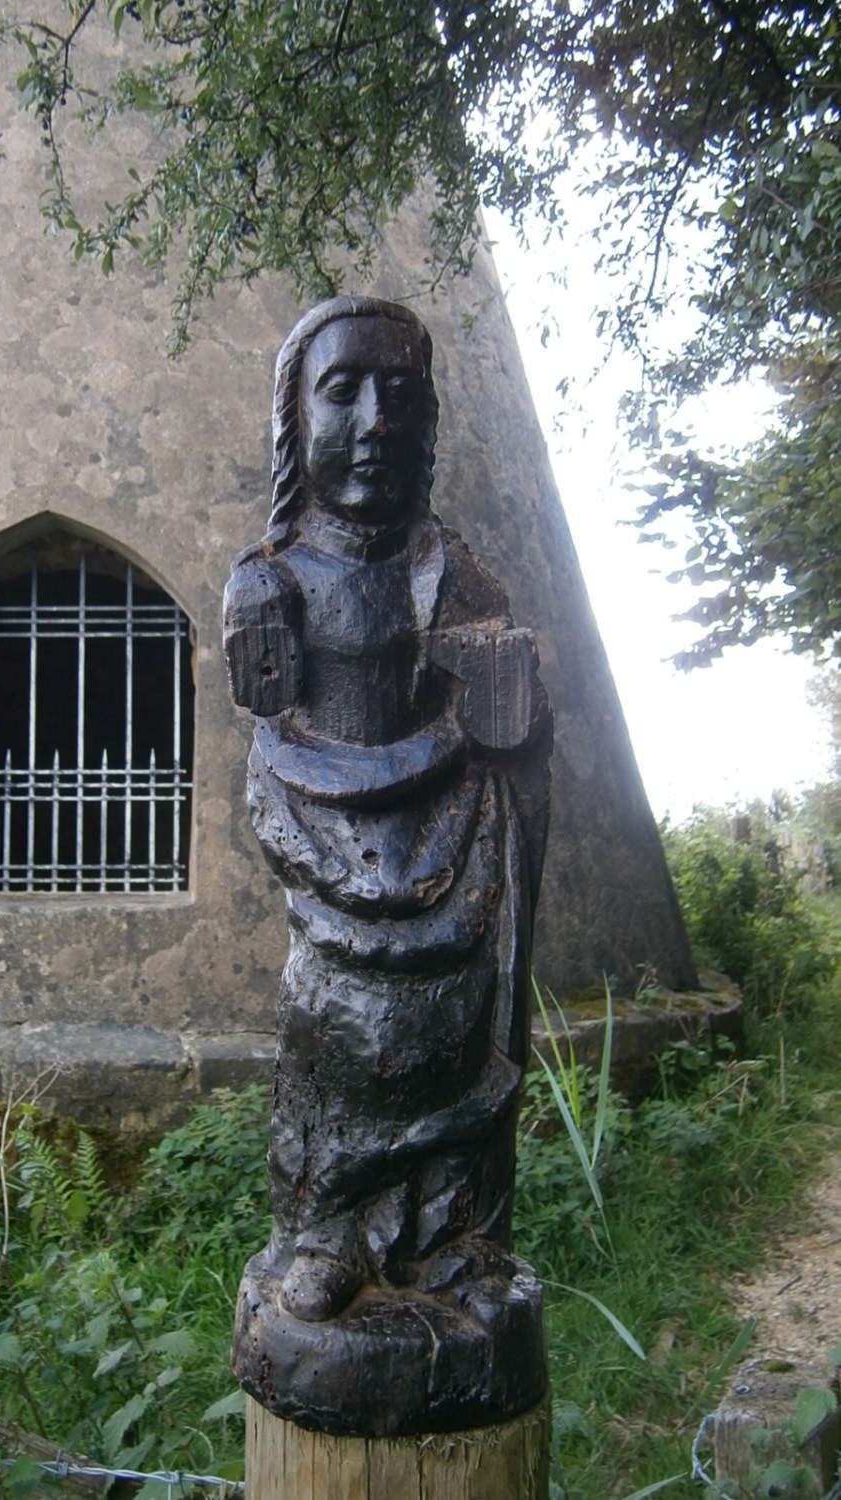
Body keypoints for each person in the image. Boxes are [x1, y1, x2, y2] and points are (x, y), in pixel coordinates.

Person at [224, 296, 552, 1324]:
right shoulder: (274, 585)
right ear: (294, 420)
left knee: (455, 1050)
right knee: (336, 1039)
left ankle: (456, 1239)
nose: (376, 419)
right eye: (344, 391)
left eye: (401, 395)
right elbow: (272, 738)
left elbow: (511, 724)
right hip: (333, 874)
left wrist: (508, 706)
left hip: (452, 867)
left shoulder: (454, 578)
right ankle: (327, 1231)